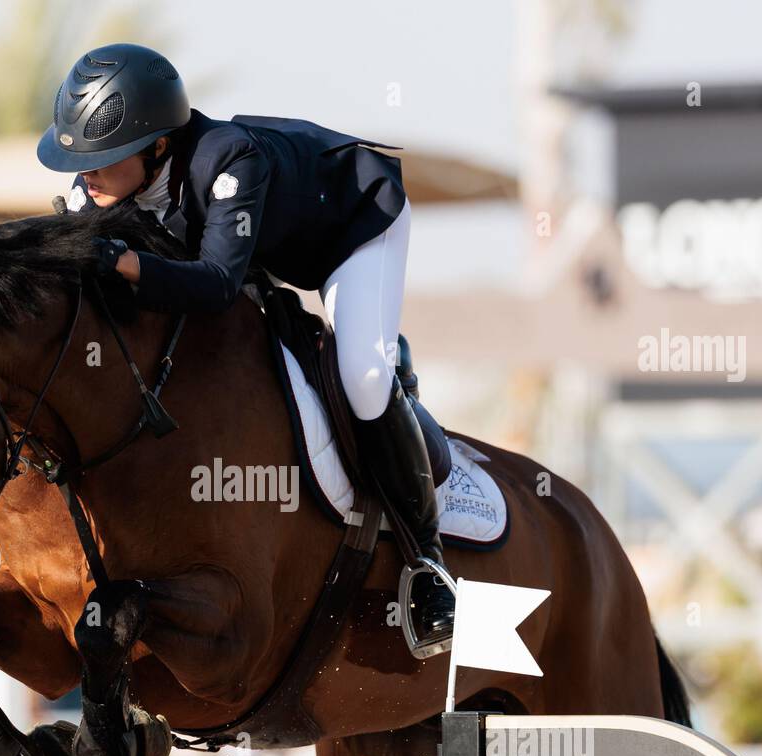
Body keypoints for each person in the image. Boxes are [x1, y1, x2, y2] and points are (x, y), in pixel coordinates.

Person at [37, 43, 453, 653]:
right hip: (268, 255)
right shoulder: (95, 191)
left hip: (353, 227)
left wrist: (125, 263)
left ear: (157, 147)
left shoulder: (230, 161)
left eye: (105, 157)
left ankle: (429, 564)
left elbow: (215, 284)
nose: (88, 174)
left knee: (362, 375)